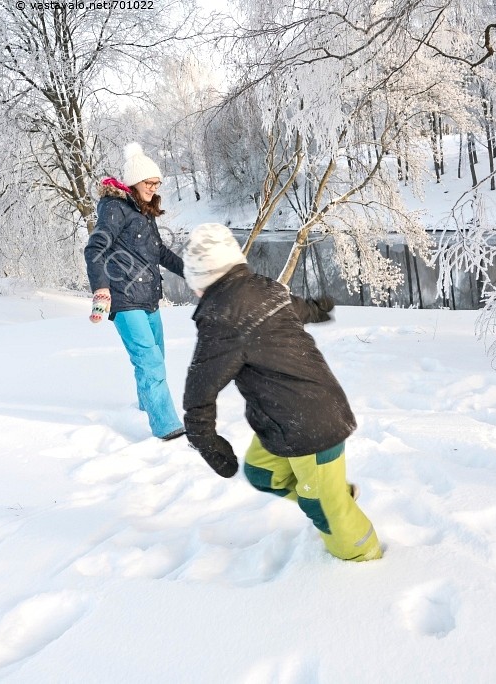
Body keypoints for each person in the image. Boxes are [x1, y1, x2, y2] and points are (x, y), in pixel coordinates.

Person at [181, 223, 382, 562]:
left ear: (206, 278)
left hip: (312, 424)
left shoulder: (223, 317)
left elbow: (200, 388)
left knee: (327, 512)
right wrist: (317, 309)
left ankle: (363, 559)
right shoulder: (264, 289)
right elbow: (298, 308)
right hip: (284, 419)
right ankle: (331, 494)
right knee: (263, 474)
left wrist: (204, 439)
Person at [84, 143, 186, 441]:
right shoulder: (115, 209)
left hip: (148, 298)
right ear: (133, 182)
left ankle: (147, 407)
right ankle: (167, 427)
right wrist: (101, 289)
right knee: (149, 361)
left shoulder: (143, 211)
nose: (154, 188)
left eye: (156, 183)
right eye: (149, 183)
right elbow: (95, 249)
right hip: (125, 300)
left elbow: (159, 253)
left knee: (156, 357)